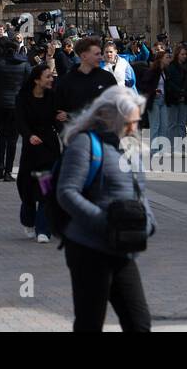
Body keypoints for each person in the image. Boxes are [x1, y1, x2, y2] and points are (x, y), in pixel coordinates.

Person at [57, 87, 155, 332]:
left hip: (123, 249)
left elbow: (140, 192)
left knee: (139, 323)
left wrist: (148, 223)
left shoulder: (130, 147)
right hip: (89, 248)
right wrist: (105, 222)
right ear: (111, 116)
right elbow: (67, 192)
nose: (133, 128)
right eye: (129, 122)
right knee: (90, 322)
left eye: (135, 122)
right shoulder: (84, 143)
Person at [16, 64, 60, 243]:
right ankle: (28, 219)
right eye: (47, 76)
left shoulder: (53, 97)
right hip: (31, 147)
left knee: (46, 190)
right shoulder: (23, 97)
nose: (51, 79)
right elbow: (20, 121)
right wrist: (29, 135)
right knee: (26, 187)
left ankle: (44, 229)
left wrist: (64, 117)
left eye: (52, 76)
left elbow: (58, 120)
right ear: (36, 79)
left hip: (49, 147)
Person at [0, 35, 28, 181]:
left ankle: (0, 165)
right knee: (13, 138)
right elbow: (28, 87)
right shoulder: (24, 65)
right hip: (16, 105)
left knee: (1, 136)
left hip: (0, 104)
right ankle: (8, 172)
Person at [54, 38, 118, 122]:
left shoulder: (107, 78)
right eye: (97, 54)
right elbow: (59, 113)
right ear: (84, 56)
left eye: (100, 54)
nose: (101, 57)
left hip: (104, 131)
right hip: (77, 132)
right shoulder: (66, 82)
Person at [161, 45, 187, 150]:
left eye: (185, 54)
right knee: (172, 124)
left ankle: (181, 147)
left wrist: (186, 94)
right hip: (173, 98)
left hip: (185, 99)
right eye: (182, 54)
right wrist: (179, 92)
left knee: (181, 124)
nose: (184, 56)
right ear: (177, 55)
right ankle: (171, 146)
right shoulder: (171, 67)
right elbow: (169, 83)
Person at [144, 50, 169, 145]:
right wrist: (153, 91)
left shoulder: (166, 71)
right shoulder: (152, 71)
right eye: (166, 57)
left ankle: (162, 148)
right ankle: (154, 149)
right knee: (155, 125)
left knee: (164, 125)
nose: (168, 59)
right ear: (161, 59)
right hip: (154, 100)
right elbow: (144, 85)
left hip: (164, 99)